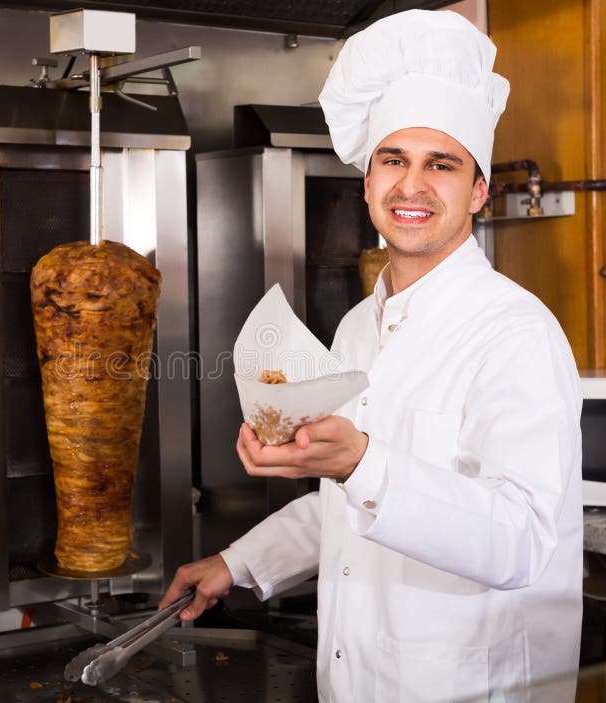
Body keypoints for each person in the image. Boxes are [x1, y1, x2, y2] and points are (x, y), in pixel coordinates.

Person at [160, 9, 583, 702]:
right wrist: (235, 563)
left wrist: (361, 459)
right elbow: (346, 500)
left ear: (479, 190)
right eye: (394, 160)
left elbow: (520, 540)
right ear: (366, 181)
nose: (411, 186)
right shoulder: (360, 325)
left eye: (440, 165)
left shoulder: (516, 335)